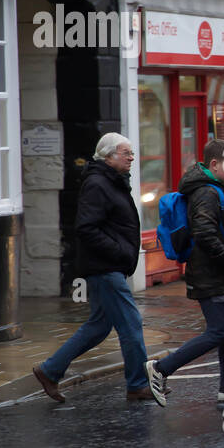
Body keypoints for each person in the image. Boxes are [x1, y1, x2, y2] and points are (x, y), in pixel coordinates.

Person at [34, 133, 152, 403]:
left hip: (109, 266)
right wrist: (120, 252)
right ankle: (138, 384)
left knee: (99, 325)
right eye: (126, 153)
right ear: (109, 156)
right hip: (105, 267)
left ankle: (50, 370)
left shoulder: (113, 181)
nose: (132, 158)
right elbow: (86, 228)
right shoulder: (98, 183)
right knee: (131, 324)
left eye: (131, 153)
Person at [145, 138, 224, 408]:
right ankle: (161, 368)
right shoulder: (206, 193)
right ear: (214, 163)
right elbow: (204, 234)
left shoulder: (220, 190)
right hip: (211, 275)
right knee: (217, 332)